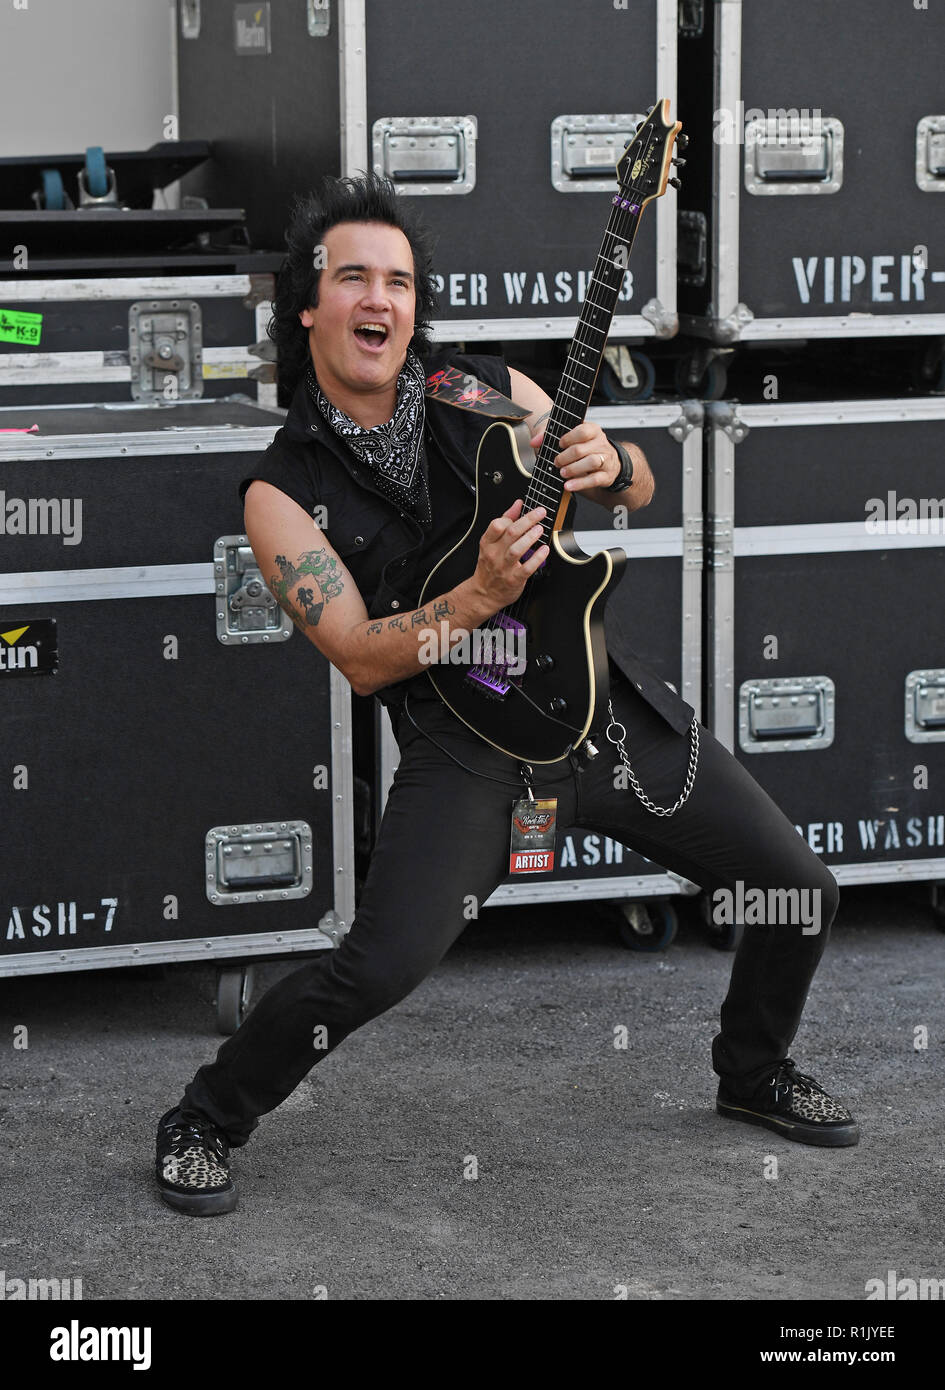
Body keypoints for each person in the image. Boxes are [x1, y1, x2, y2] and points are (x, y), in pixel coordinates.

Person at [155, 174, 856, 1217]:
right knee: (374, 970)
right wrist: (479, 593)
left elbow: (639, 486)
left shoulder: (479, 390)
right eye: (354, 277)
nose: (379, 300)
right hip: (467, 750)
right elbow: (356, 653)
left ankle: (751, 1071)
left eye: (398, 280)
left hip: (601, 715)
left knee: (801, 888)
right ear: (309, 302)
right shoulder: (281, 490)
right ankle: (204, 1116)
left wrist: (611, 459)